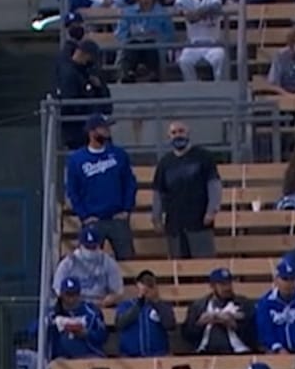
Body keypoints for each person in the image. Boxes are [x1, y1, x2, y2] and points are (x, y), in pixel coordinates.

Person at [63, 114, 138, 259]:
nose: (108, 131)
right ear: (92, 132)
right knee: (89, 263)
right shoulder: (77, 160)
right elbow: (73, 191)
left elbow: (130, 183)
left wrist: (126, 209)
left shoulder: (119, 154)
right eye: (103, 128)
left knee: (128, 258)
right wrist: (84, 215)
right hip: (93, 219)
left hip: (118, 218)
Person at [152, 121, 220, 258]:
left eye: (181, 131)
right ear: (169, 137)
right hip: (175, 227)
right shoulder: (165, 162)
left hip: (200, 223)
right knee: (179, 270)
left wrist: (211, 210)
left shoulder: (203, 157)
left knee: (204, 266)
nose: (178, 135)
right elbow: (159, 192)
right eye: (174, 132)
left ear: (188, 133)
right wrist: (156, 217)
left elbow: (214, 185)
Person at [172, 0, 228, 81]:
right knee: (184, 61)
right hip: (194, 43)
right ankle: (193, 88)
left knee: (220, 57)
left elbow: (216, 6)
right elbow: (178, 8)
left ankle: (220, 88)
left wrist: (196, 14)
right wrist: (188, 13)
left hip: (213, 43)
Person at [55, 40, 112, 150]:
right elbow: (72, 104)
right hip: (78, 131)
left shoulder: (85, 72)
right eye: (90, 57)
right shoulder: (70, 74)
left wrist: (99, 87)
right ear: (84, 54)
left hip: (89, 127)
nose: (91, 61)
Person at [114, 0, 175, 82]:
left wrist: (158, 39)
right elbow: (120, 33)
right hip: (133, 44)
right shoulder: (127, 12)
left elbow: (169, 34)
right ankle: (127, 74)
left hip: (154, 46)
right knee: (132, 46)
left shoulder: (162, 13)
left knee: (151, 45)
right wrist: (129, 38)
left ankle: (154, 74)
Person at [184, 268, 255, 354]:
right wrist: (200, 324)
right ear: (212, 286)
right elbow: (187, 336)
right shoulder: (199, 306)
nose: (227, 288)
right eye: (222, 284)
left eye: (229, 283)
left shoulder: (244, 304)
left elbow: (254, 334)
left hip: (238, 352)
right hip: (205, 352)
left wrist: (234, 325)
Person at [51, 226, 124, 307]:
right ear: (80, 245)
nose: (90, 250)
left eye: (93, 247)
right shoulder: (68, 263)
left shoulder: (109, 263)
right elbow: (57, 288)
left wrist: (102, 303)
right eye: (87, 247)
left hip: (100, 304)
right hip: (72, 305)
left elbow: (117, 292)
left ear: (99, 245)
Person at [115, 269, 176, 357]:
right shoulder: (126, 305)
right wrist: (139, 303)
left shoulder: (163, 305)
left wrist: (156, 301)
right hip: (130, 356)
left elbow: (170, 325)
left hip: (159, 355)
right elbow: (120, 324)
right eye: (143, 283)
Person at [45, 277, 109, 359]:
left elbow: (103, 336)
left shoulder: (92, 312)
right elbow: (33, 330)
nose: (71, 298)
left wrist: (87, 334)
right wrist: (51, 323)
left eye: (74, 294)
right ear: (61, 294)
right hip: (61, 358)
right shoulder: (51, 313)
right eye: (68, 294)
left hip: (89, 354)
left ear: (79, 294)